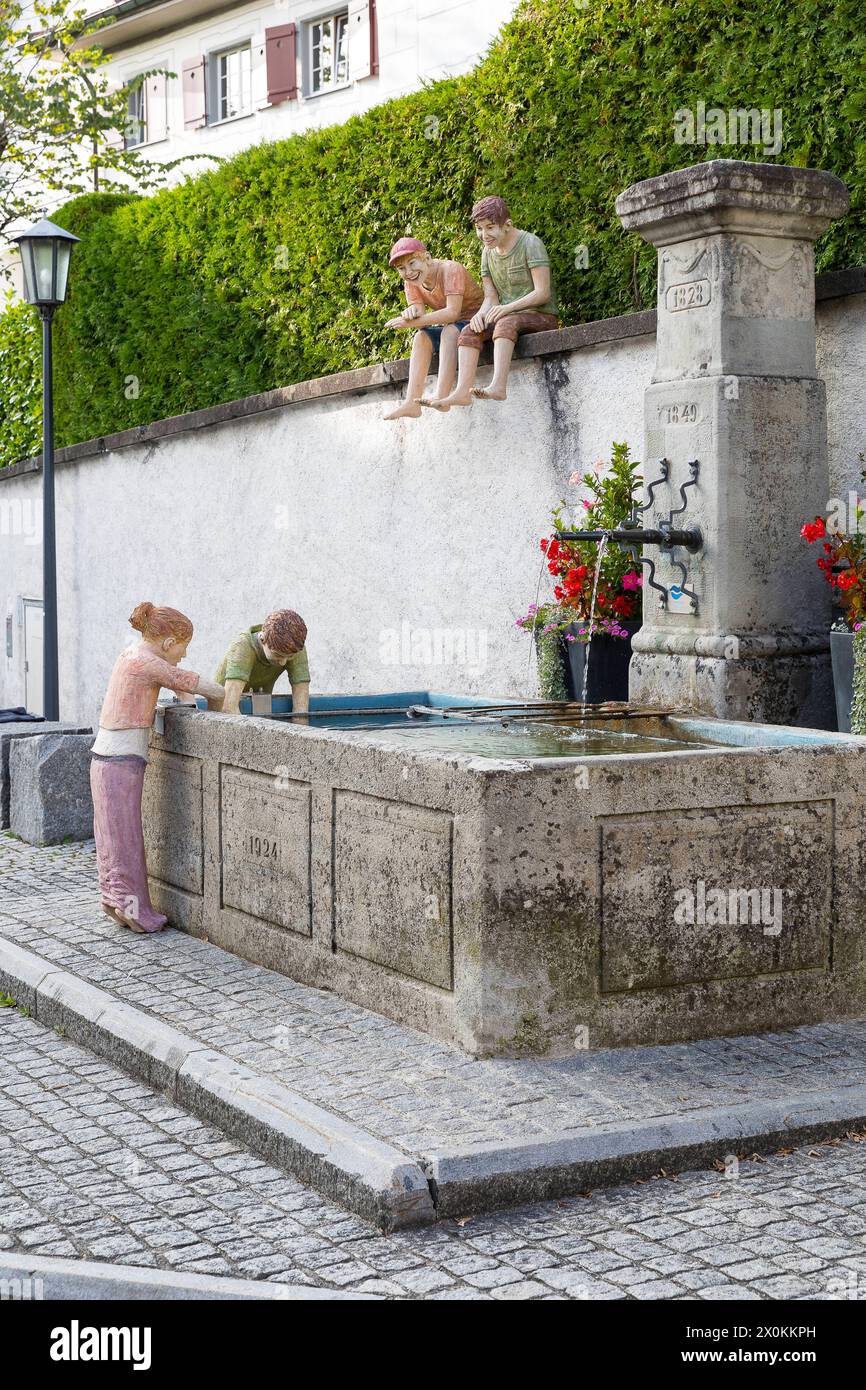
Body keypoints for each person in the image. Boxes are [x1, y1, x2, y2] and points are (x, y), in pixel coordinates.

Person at [90, 602, 225, 934]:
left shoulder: (132, 654)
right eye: (183, 648)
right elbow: (205, 686)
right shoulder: (147, 662)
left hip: (107, 759)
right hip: (121, 762)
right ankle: (137, 912)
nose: (183, 655)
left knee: (113, 837)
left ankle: (115, 900)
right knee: (127, 838)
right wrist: (224, 705)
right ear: (168, 643)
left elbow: (176, 683)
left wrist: (184, 696)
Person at [440, 196, 558, 407]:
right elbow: (491, 298)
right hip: (508, 313)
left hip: (540, 316)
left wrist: (507, 309)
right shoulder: (487, 252)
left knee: (505, 322)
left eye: (490, 228)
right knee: (469, 330)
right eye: (479, 228)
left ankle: (498, 386)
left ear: (507, 225)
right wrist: (481, 315)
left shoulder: (530, 243)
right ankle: (462, 392)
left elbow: (543, 293)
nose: (484, 235)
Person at [383, 237, 484, 419]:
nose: (409, 272)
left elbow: (453, 313)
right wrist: (411, 312)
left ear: (427, 258)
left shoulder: (450, 270)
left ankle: (442, 395)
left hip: (477, 322)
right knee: (421, 337)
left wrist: (410, 323)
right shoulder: (411, 282)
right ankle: (411, 403)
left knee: (449, 330)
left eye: (412, 263)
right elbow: (421, 314)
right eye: (401, 269)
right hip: (455, 326)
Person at [216, 608, 310, 716]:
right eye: (278, 655)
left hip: (261, 707)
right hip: (220, 714)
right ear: (262, 639)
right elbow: (228, 708)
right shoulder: (242, 646)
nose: (283, 662)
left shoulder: (294, 648)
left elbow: (301, 712)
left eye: (289, 657)